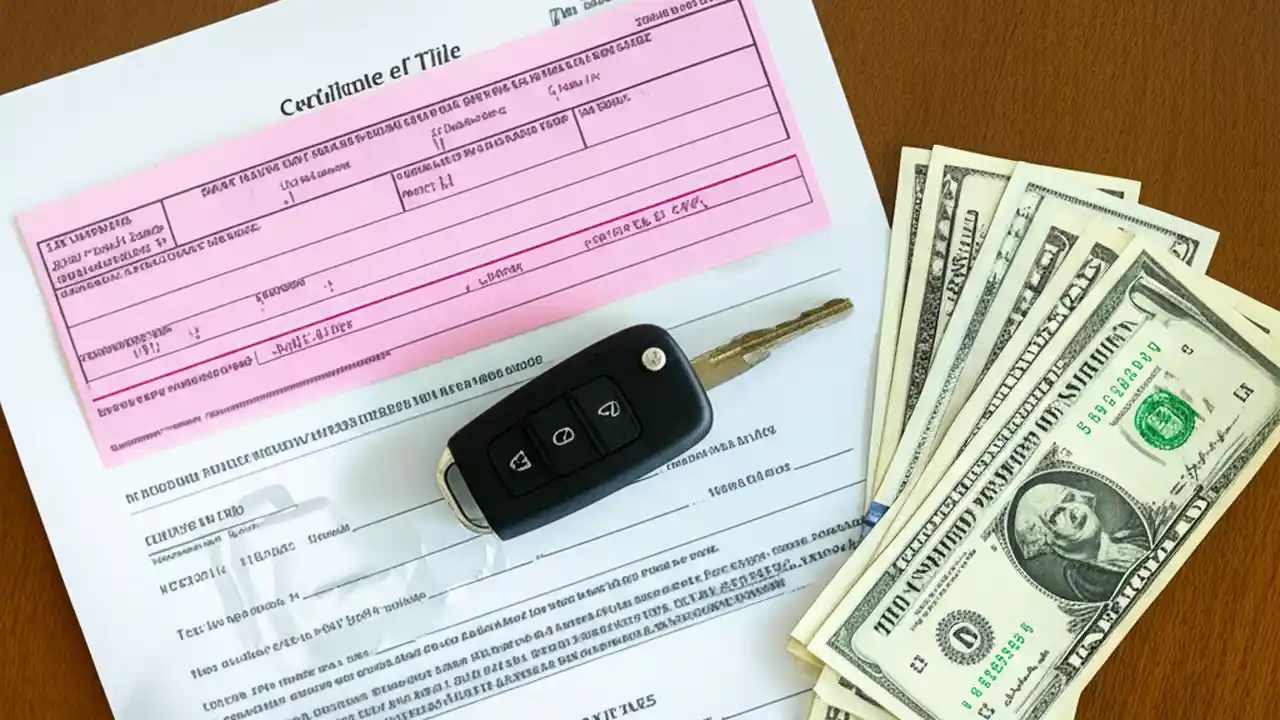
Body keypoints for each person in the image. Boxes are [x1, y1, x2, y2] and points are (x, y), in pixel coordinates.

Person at [1013, 481, 1150, 602]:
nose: (1071, 510)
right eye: (1055, 515)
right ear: (1047, 541)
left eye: (1069, 498)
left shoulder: (1136, 533)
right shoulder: (1090, 586)